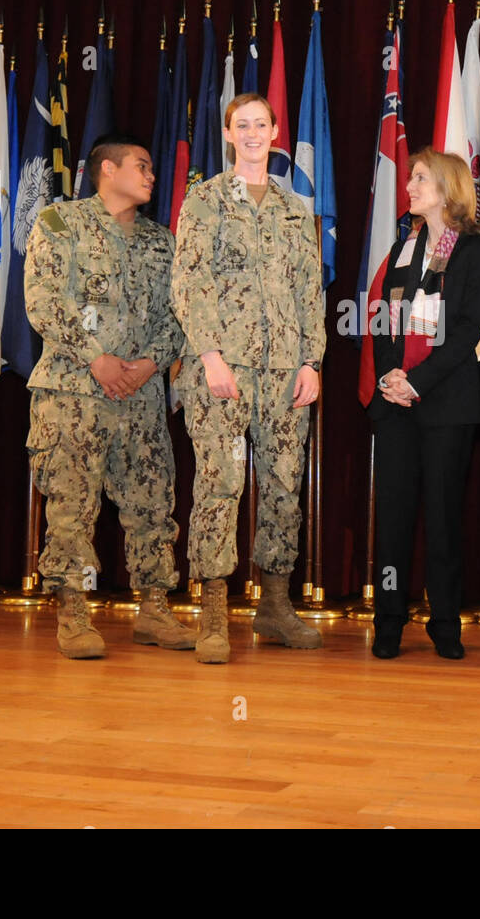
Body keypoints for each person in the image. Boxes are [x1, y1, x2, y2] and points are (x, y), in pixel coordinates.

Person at [23, 135, 196, 659]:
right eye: (141, 166)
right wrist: (95, 357)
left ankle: (154, 610)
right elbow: (43, 299)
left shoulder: (163, 243)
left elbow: (179, 316)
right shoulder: (59, 224)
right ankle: (74, 613)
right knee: (72, 505)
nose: (150, 175)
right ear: (107, 168)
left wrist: (148, 365)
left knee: (152, 503)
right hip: (73, 391)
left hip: (140, 396)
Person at [172, 93, 325, 664]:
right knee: (219, 486)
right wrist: (210, 356)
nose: (254, 133)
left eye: (262, 123)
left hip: (287, 372)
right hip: (224, 372)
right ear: (229, 134)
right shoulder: (205, 200)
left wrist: (312, 361)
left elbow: (311, 290)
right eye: (243, 125)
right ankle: (213, 612)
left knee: (285, 486)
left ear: (276, 131)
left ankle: (275, 605)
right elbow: (188, 283)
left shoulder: (293, 208)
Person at [367, 148, 480, 660]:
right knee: (393, 519)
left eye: (420, 178)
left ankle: (445, 623)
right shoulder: (404, 249)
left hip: (445, 403)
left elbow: (467, 331)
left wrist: (418, 380)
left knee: (443, 518)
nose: (410, 186)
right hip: (394, 403)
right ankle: (389, 623)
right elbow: (380, 318)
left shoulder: (474, 250)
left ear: (447, 188)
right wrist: (390, 377)